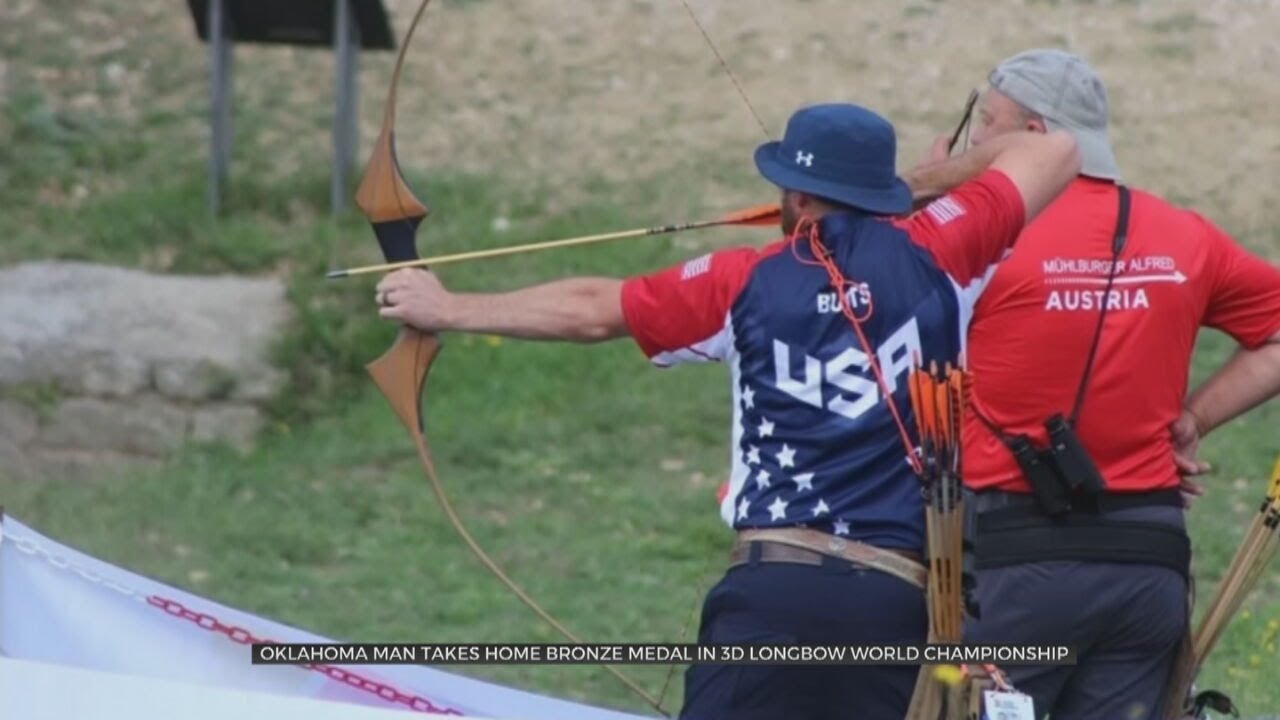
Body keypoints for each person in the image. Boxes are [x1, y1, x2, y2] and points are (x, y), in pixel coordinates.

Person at [374, 102, 1080, 719]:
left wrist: (448, 307)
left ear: (800, 197)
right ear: (878, 192)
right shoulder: (944, 249)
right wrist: (912, 192)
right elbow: (1054, 148)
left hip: (772, 593)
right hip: (896, 603)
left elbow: (595, 310)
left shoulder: (743, 281)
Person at [919, 49, 1280, 720]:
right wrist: (1194, 418)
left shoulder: (975, 237)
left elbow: (846, 281)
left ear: (1033, 138)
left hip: (1016, 572)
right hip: (1148, 569)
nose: (973, 143)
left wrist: (934, 185)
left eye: (984, 124)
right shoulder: (1184, 234)